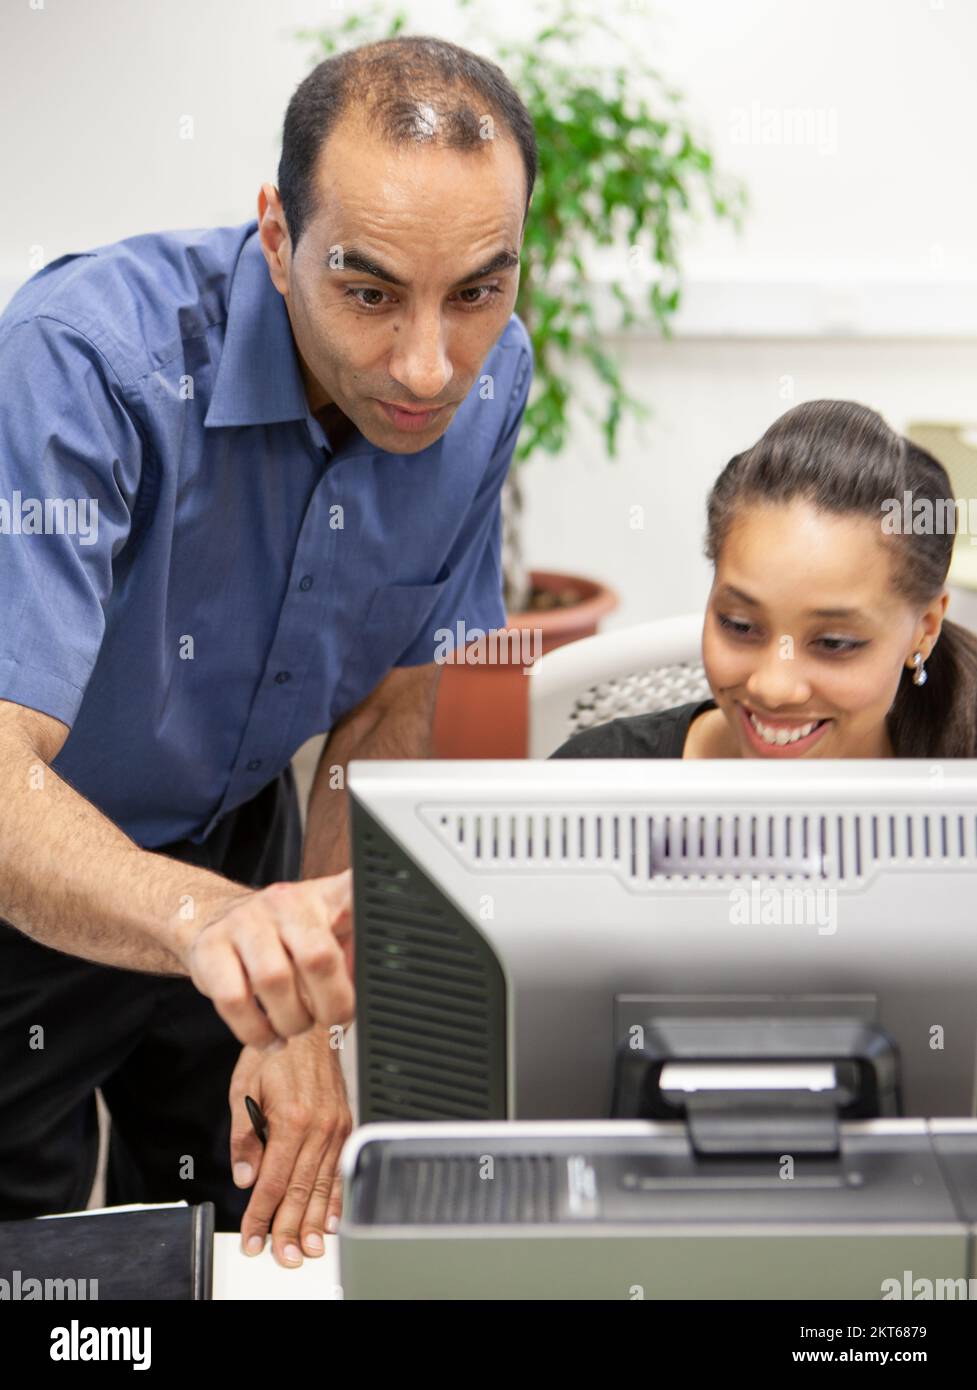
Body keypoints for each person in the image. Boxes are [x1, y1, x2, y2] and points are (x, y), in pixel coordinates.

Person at [0, 35, 536, 1266]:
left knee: (253, 1228)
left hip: (244, 847)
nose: (425, 366)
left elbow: (400, 697)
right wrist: (214, 928)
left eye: (474, 291)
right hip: (33, 865)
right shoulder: (84, 365)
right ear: (275, 234)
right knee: (30, 1260)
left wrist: (315, 990)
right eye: (367, 290)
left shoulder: (488, 379)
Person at [553, 399, 977, 762]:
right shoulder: (595, 780)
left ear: (924, 630)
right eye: (739, 625)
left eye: (834, 643)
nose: (773, 688)